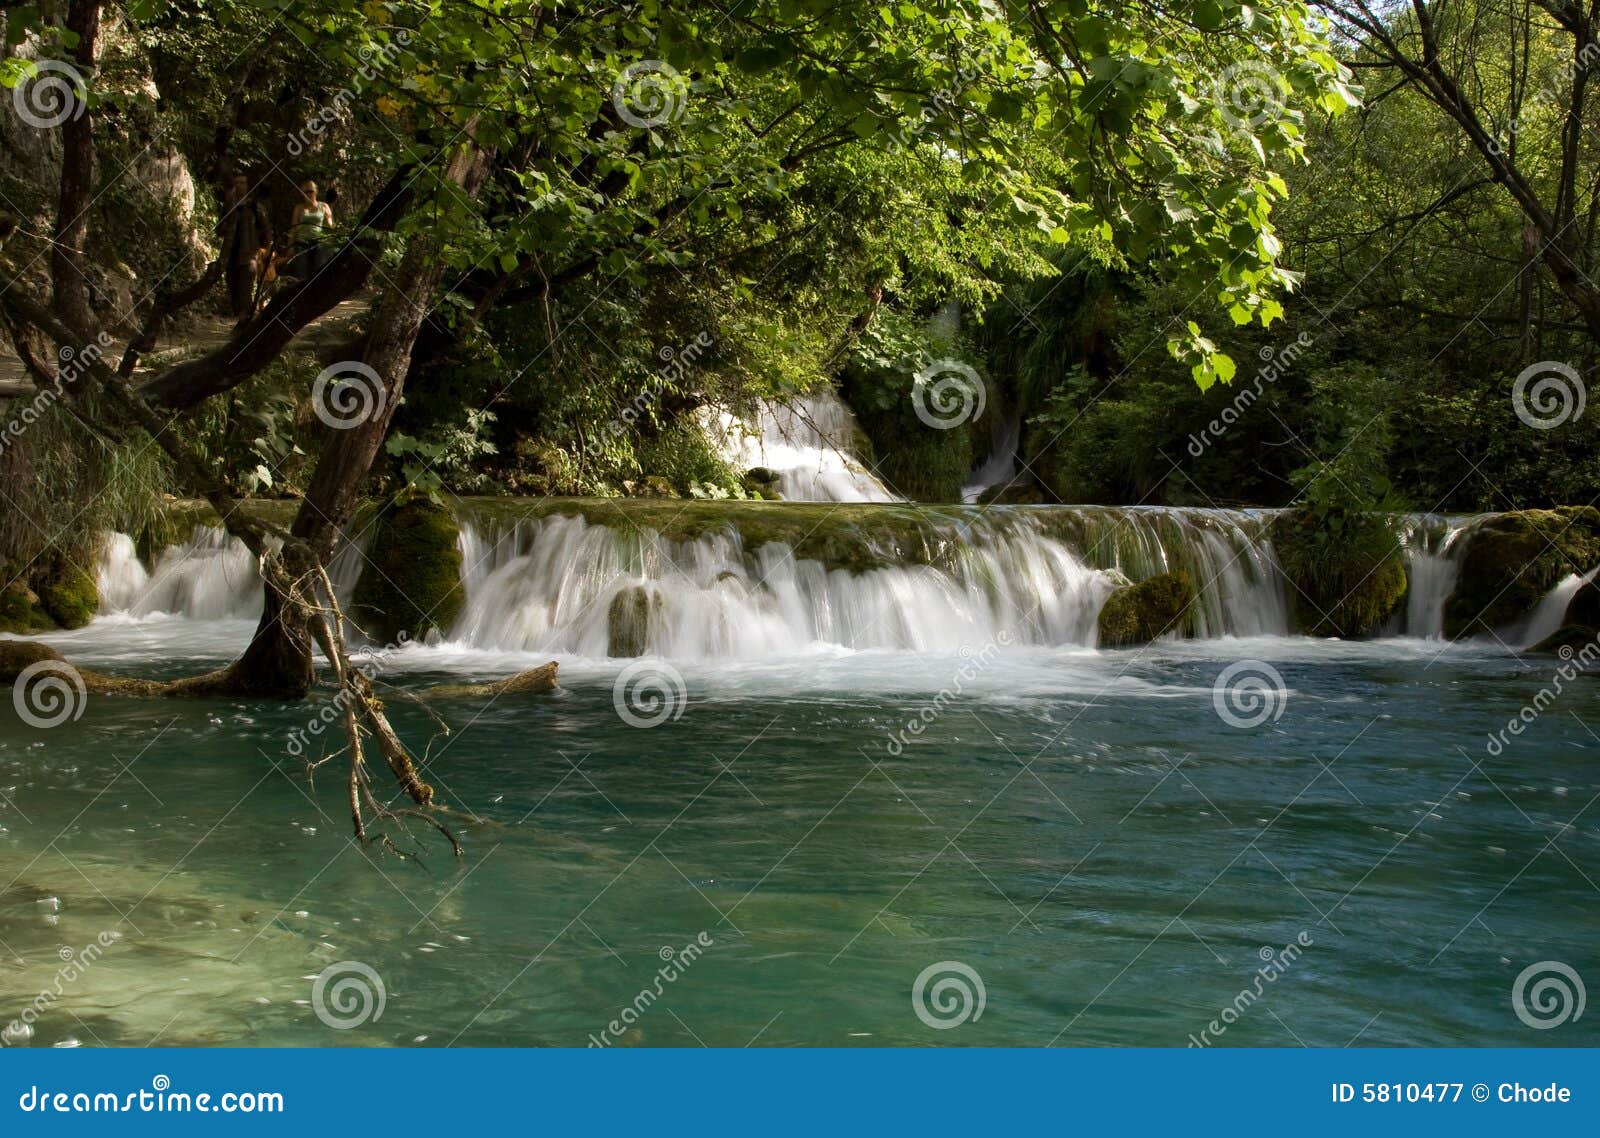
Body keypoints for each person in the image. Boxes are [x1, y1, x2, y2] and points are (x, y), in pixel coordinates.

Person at [216, 173, 270, 327]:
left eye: (242, 182)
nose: (239, 185)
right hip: (231, 255)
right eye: (237, 182)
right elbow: (219, 230)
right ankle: (243, 321)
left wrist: (265, 250)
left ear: (247, 186)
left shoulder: (254, 206)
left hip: (249, 255)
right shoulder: (228, 206)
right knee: (233, 288)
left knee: (244, 291)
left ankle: (244, 323)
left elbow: (265, 228)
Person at [288, 179, 335, 280]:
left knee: (318, 272)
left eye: (311, 191)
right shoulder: (299, 208)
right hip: (301, 243)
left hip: (318, 243)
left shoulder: (323, 206)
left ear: (316, 191)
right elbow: (294, 227)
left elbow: (330, 227)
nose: (309, 194)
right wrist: (290, 246)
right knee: (302, 273)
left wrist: (331, 243)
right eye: (306, 192)